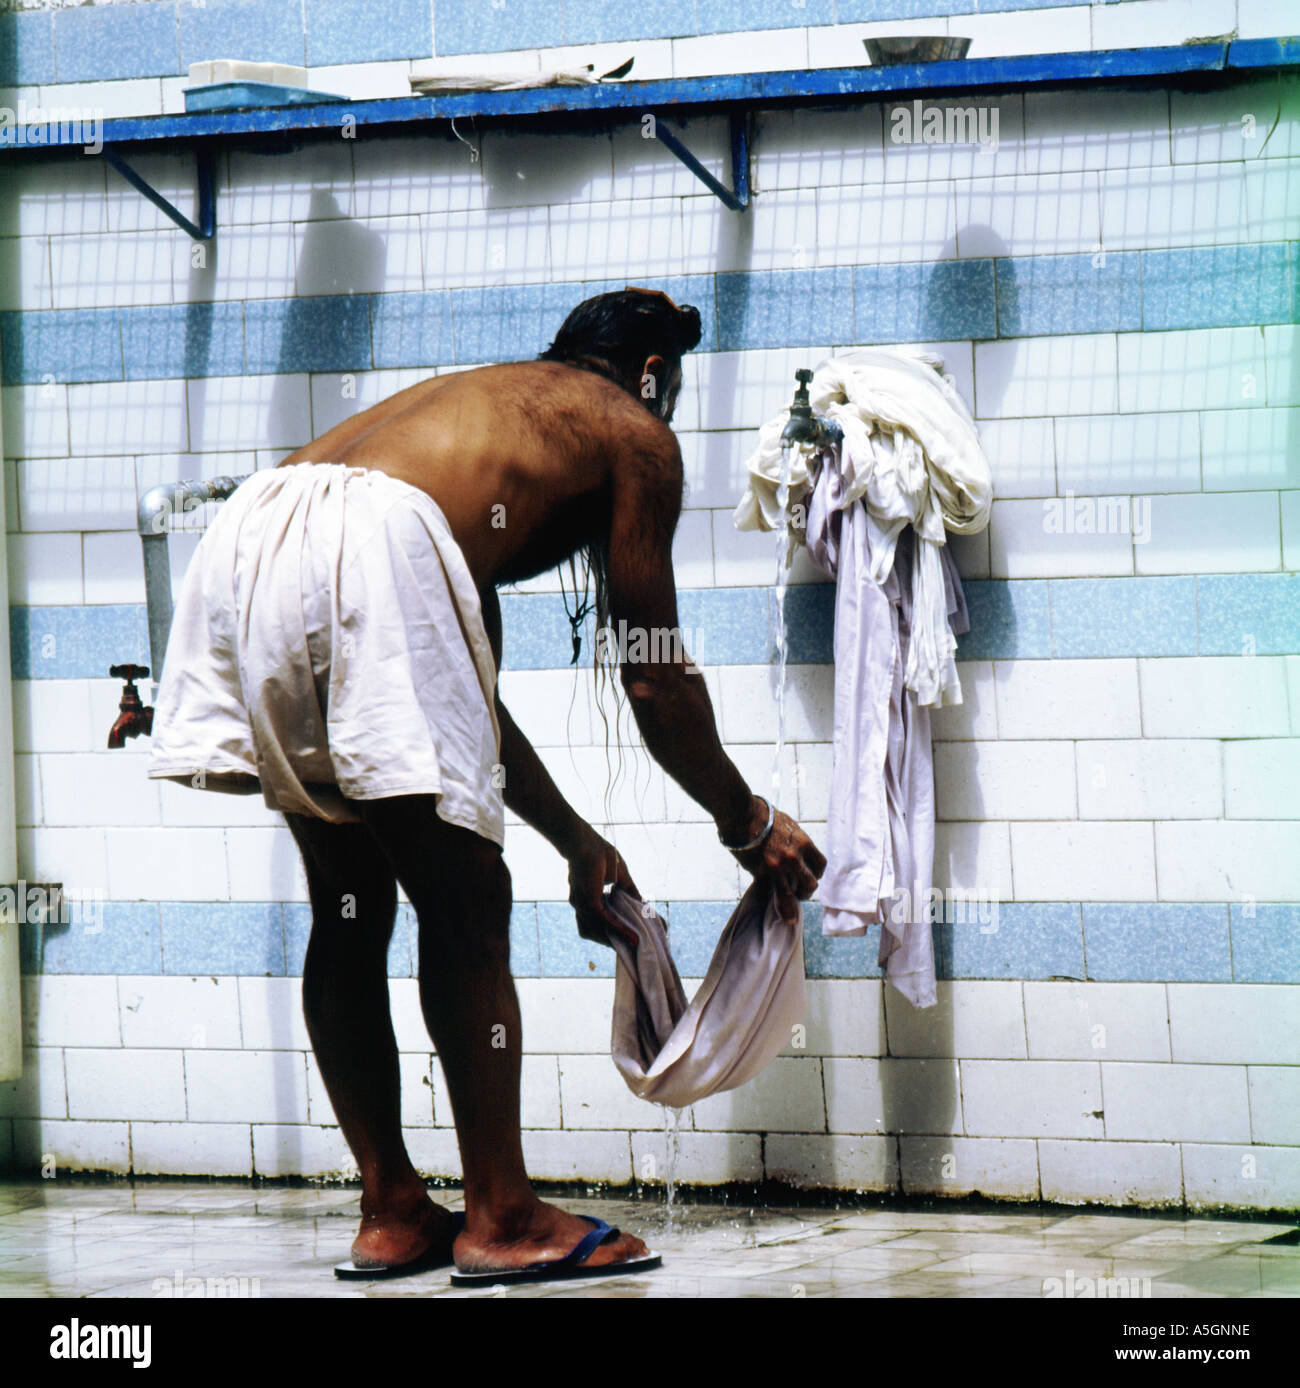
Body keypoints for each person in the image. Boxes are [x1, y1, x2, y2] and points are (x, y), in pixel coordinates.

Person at [150, 286, 826, 1281]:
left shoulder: (472, 437)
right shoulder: (630, 429)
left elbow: (464, 720)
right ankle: (501, 1216)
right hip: (363, 541)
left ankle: (391, 1211)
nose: (662, 414)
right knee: (468, 903)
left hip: (249, 533)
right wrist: (745, 818)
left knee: (348, 906)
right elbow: (651, 668)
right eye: (666, 390)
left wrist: (577, 842)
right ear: (648, 373)